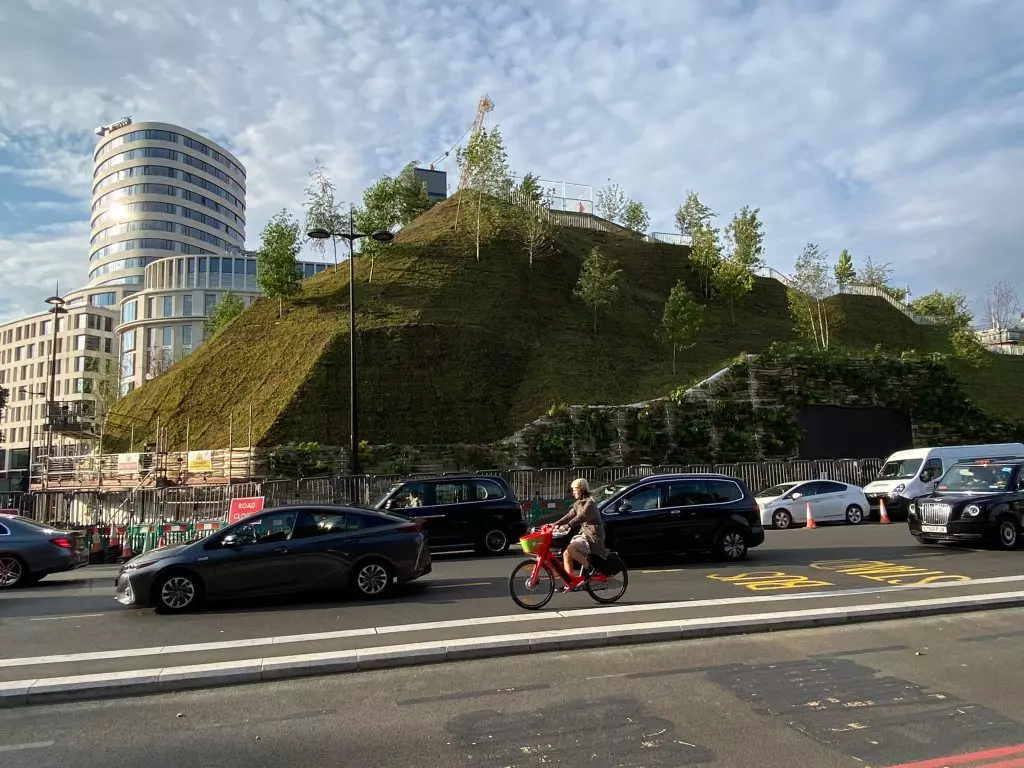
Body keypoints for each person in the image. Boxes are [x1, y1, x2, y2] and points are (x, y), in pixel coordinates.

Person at [553, 477, 608, 591]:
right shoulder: (578, 503)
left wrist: (567, 526)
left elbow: (581, 517)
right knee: (566, 554)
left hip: (593, 537)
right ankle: (570, 583)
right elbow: (569, 515)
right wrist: (555, 524)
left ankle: (590, 569)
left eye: (574, 490)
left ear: (582, 490)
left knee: (571, 548)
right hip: (584, 535)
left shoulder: (590, 504)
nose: (573, 493)